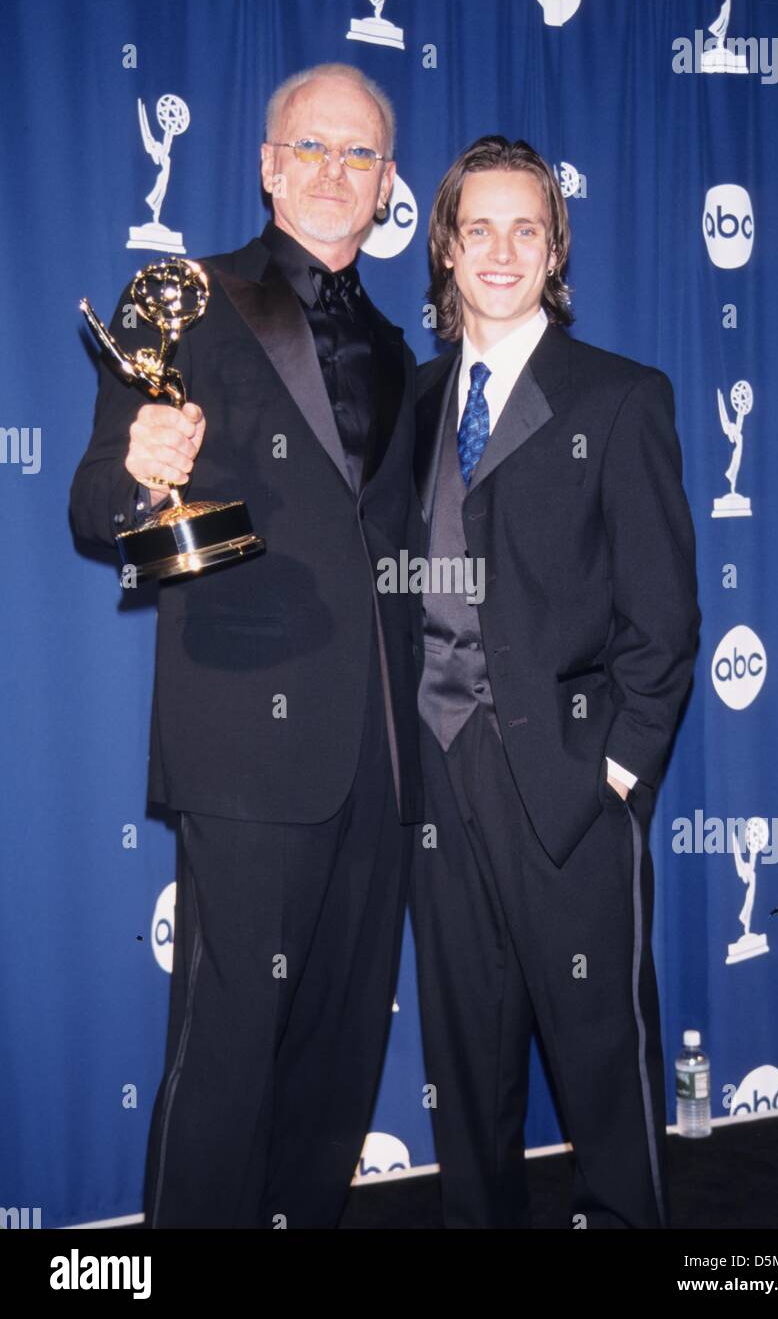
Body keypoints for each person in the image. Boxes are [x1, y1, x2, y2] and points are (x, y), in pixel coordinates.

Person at [69, 63, 423, 1229]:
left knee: (336, 1059)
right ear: (268, 167)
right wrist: (141, 464)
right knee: (225, 1057)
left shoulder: (396, 340)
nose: (335, 171)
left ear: (386, 188)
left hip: (382, 753)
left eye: (360, 155)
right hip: (247, 743)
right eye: (311, 148)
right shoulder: (182, 295)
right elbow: (94, 510)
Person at [410, 136, 701, 1228]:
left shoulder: (620, 396)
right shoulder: (417, 397)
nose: (499, 249)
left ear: (554, 247)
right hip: (440, 775)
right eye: (476, 227)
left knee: (599, 1055)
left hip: (572, 779)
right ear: (442, 247)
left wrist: (615, 772)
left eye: (523, 228)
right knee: (466, 1050)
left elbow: (664, 617)